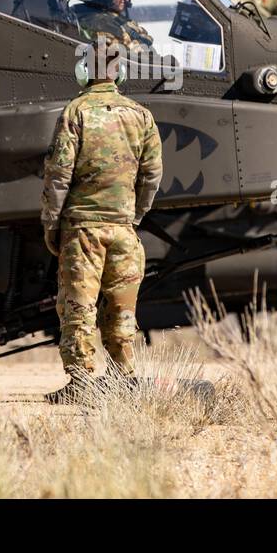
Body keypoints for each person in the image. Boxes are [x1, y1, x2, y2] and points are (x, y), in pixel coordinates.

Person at [39, 35, 163, 404]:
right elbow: (152, 174)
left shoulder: (75, 112)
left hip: (83, 231)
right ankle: (124, 378)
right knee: (122, 308)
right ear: (119, 72)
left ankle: (80, 383)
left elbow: (58, 174)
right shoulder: (141, 115)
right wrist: (135, 215)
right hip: (124, 231)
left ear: (83, 72)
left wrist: (51, 223)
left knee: (78, 306)